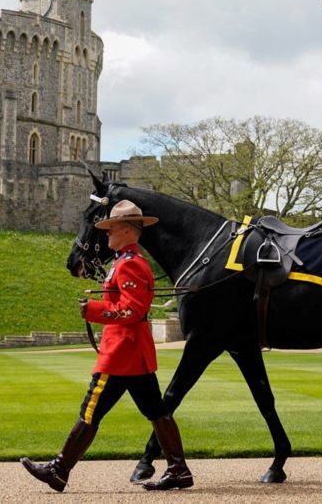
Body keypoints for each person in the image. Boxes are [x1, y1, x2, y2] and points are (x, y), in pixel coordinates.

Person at [20, 200, 194, 492]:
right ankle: (178, 469)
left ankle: (59, 469)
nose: (107, 235)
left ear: (126, 231)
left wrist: (93, 310)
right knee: (156, 411)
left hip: (122, 353)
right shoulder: (125, 263)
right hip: (131, 353)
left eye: (111, 230)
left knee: (91, 410)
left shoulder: (130, 265)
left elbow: (132, 310)